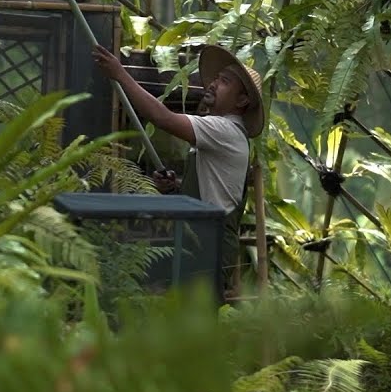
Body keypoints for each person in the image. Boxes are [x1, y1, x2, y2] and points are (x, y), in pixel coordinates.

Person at [91, 43, 264, 296]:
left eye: (225, 81)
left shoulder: (224, 130)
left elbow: (163, 118)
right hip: (198, 238)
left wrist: (120, 74)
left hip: (209, 243)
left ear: (242, 100)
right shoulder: (219, 131)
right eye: (216, 78)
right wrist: (175, 191)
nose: (214, 84)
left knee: (197, 322)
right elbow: (209, 194)